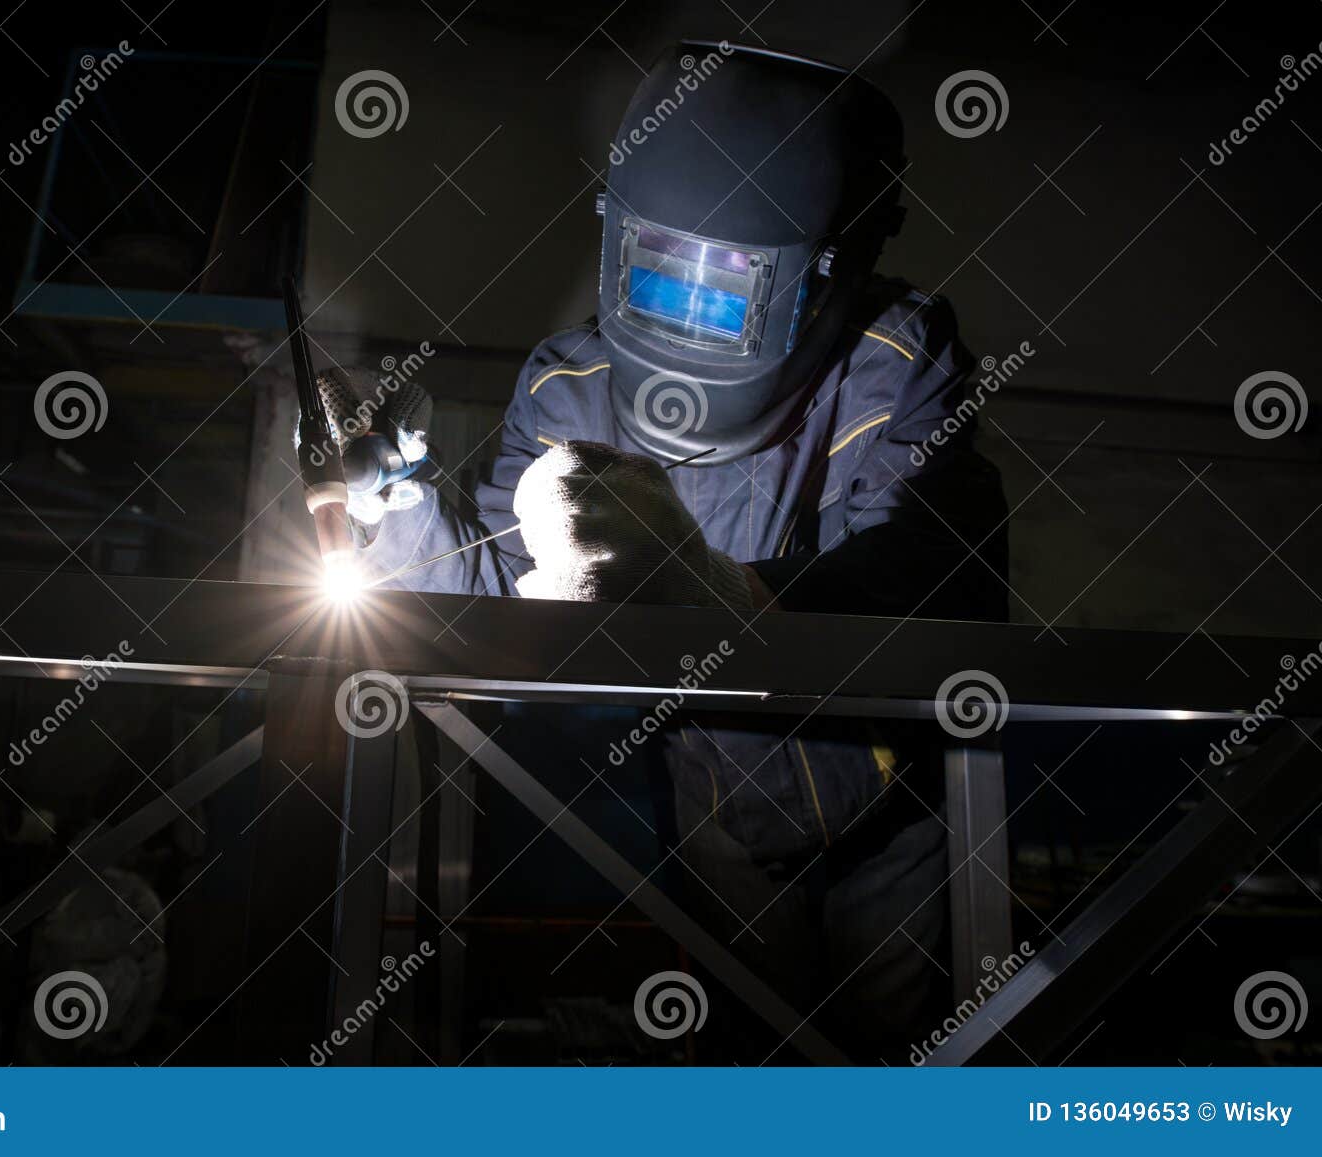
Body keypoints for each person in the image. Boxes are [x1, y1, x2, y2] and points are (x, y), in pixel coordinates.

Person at [316, 42, 1009, 1061]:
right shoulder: (570, 388)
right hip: (714, 794)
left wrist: (703, 586)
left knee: (895, 1057)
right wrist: (396, 511)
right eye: (662, 276)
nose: (689, 313)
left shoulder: (893, 362)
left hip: (893, 798)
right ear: (617, 244)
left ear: (825, 273)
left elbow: (922, 584)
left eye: (724, 293)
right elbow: (494, 602)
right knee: (754, 1057)